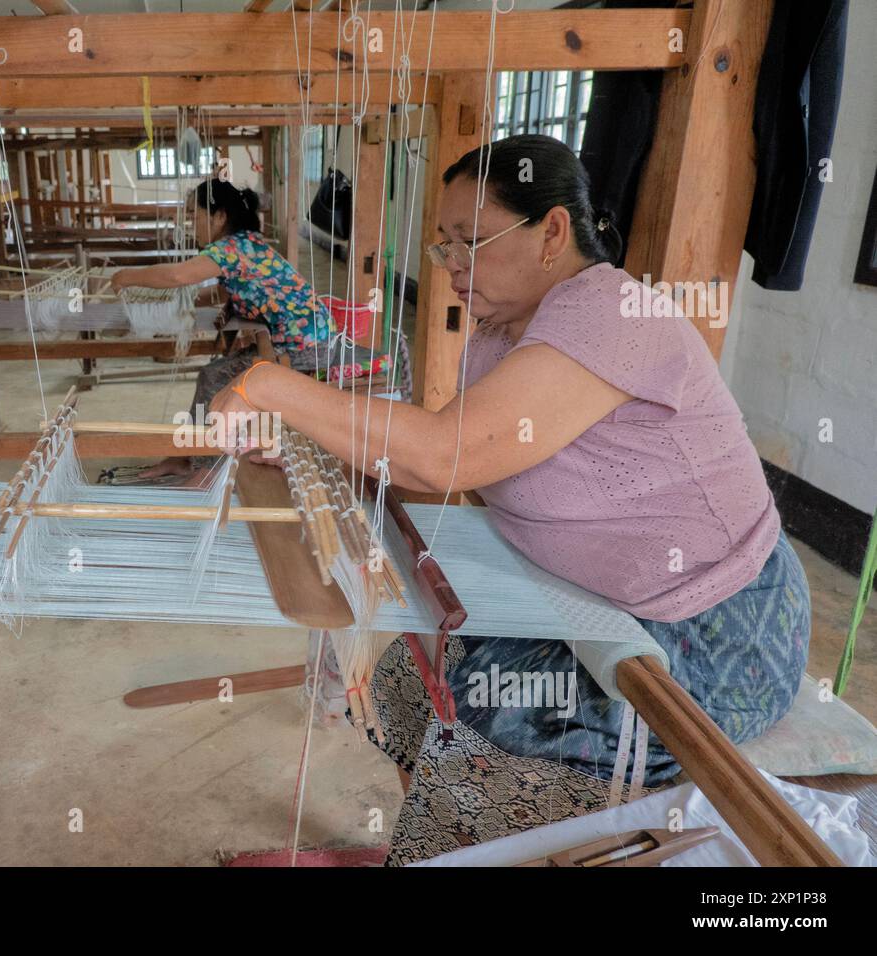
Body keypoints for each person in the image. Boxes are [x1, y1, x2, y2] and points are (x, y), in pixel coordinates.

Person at [207, 134, 809, 863]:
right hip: (593, 603)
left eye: (471, 241)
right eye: (443, 247)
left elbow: (443, 453)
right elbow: (452, 460)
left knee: (483, 702)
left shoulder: (611, 313)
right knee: (402, 678)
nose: (452, 265)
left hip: (712, 632)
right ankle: (429, 846)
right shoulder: (500, 333)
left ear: (552, 232)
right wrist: (322, 447)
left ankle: (457, 850)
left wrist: (269, 387)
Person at [110, 179, 403, 479]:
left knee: (213, 378)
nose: (191, 224)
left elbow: (176, 275)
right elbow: (226, 289)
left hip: (305, 348)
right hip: (300, 339)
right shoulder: (248, 244)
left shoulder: (232, 248)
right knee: (214, 374)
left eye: (194, 216)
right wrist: (176, 304)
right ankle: (186, 457)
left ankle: (204, 469)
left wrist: (127, 276)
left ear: (219, 216)